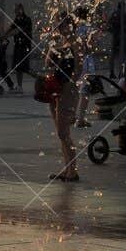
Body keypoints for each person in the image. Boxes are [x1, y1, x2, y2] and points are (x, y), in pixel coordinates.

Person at [44, 13, 81, 182]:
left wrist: (69, 86)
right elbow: (47, 63)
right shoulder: (59, 43)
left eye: (62, 25)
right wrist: (51, 47)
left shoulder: (75, 43)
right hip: (56, 89)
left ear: (70, 25)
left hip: (67, 90)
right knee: (61, 134)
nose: (59, 28)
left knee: (63, 132)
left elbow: (78, 68)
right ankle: (68, 170)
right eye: (58, 25)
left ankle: (72, 171)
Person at [7, 3, 33, 93]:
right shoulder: (17, 19)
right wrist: (4, 35)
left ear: (21, 10)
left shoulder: (26, 20)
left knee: (25, 68)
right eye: (15, 10)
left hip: (24, 46)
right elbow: (11, 28)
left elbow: (16, 30)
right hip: (18, 45)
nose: (15, 12)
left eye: (17, 10)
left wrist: (4, 36)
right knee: (19, 67)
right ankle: (19, 86)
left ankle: (41, 79)